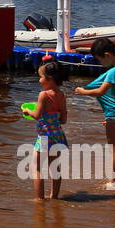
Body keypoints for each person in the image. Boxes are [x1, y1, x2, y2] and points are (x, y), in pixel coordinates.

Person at [75, 38, 115, 190]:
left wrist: (82, 91)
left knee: (114, 149)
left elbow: (100, 91)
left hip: (114, 112)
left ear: (107, 55)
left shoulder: (113, 71)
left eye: (99, 59)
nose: (100, 63)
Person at [27, 59, 70, 200]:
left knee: (37, 168)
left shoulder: (43, 95)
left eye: (41, 77)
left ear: (49, 79)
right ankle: (54, 197)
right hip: (58, 136)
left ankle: (39, 200)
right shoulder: (61, 95)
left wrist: (27, 111)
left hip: (45, 137)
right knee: (55, 168)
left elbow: (37, 115)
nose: (39, 80)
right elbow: (63, 119)